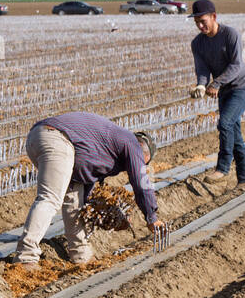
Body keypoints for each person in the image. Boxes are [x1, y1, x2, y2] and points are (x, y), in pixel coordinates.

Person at [14, 113, 163, 266]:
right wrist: (151, 217)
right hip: (57, 138)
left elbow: (85, 189)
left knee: (74, 203)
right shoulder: (132, 143)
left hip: (45, 138)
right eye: (143, 162)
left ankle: (81, 257)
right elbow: (141, 182)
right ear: (143, 152)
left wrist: (101, 211)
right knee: (50, 199)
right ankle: (26, 257)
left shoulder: (109, 147)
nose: (140, 164)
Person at [188, 0, 245, 185]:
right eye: (197, 23)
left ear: (214, 17)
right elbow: (202, 70)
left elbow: (237, 66)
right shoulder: (197, 44)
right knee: (235, 135)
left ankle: (222, 168)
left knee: (224, 124)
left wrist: (216, 83)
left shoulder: (230, 35)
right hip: (224, 91)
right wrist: (201, 86)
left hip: (242, 88)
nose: (200, 26)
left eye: (203, 21)